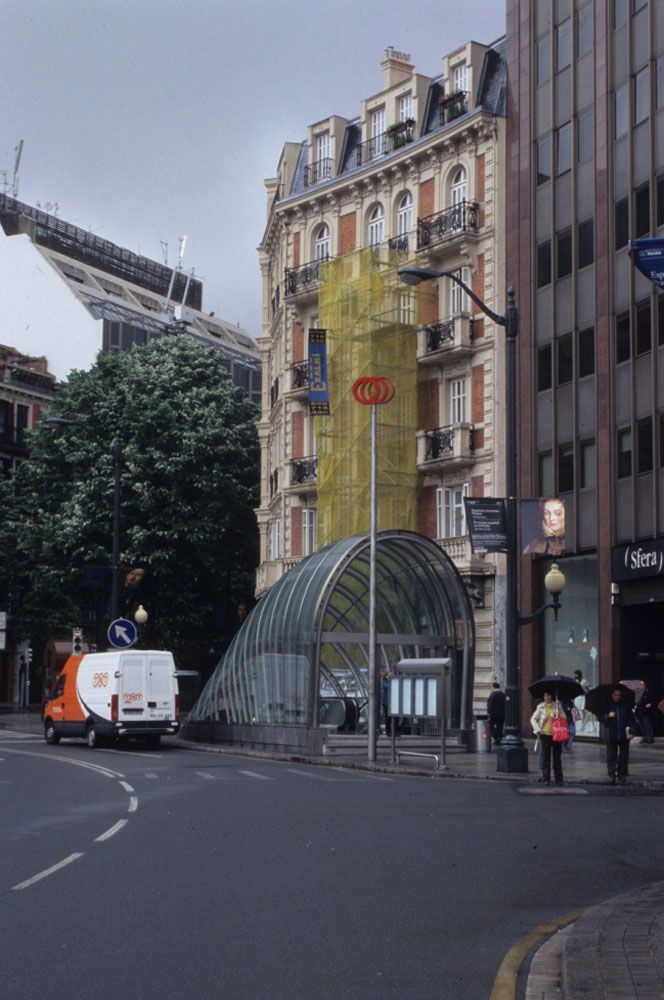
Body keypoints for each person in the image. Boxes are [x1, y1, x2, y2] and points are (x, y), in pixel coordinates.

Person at [530, 691, 565, 785]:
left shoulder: (557, 705)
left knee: (557, 758)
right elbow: (533, 719)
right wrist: (538, 729)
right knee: (546, 757)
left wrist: (558, 715)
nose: (547, 697)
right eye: (545, 696)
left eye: (549, 695)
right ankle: (546, 778)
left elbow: (564, 719)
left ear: (552, 696)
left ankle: (559, 779)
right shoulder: (541, 706)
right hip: (545, 734)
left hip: (556, 734)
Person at [601, 687, 632, 785]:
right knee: (611, 756)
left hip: (624, 735)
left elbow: (631, 719)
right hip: (611, 734)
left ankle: (621, 774)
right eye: (615, 695)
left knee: (624, 756)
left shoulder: (626, 706)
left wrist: (631, 729)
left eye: (619, 695)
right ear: (612, 695)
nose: (617, 697)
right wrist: (607, 716)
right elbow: (600, 717)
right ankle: (611, 775)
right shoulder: (607, 705)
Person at [487, 682, 505, 746]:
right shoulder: (503, 694)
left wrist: (489, 712)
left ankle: (496, 737)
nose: (491, 688)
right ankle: (499, 739)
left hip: (494, 714)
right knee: (500, 727)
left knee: (490, 726)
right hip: (502, 714)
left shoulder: (493, 694)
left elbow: (490, 705)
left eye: (491, 687)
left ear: (493, 687)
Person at [381, 670, 393, 736]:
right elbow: (387, 687)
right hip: (386, 703)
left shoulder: (391, 681)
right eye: (389, 675)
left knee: (392, 718)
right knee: (388, 717)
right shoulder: (385, 682)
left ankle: (392, 731)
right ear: (386, 676)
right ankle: (388, 731)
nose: (390, 676)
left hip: (391, 703)